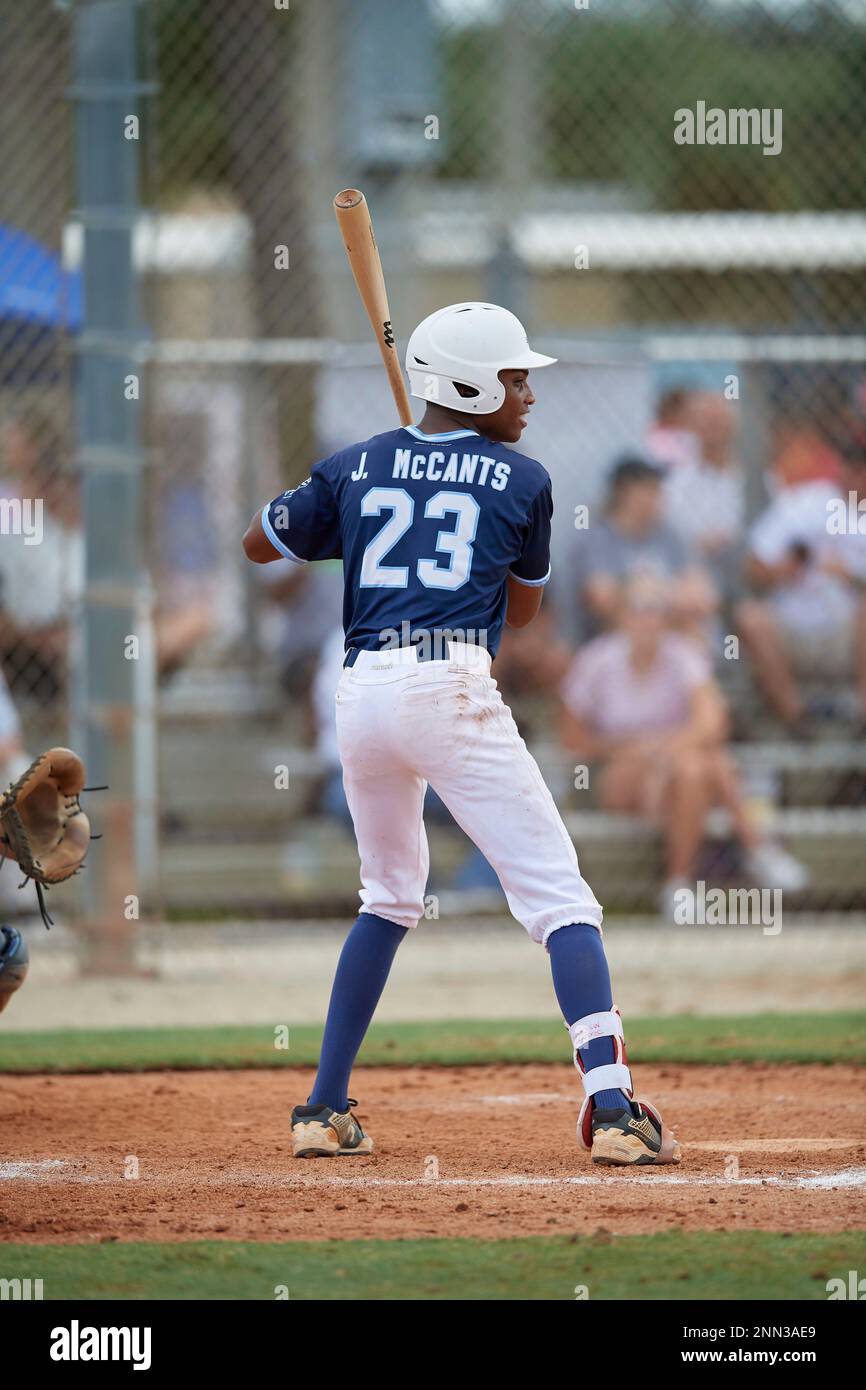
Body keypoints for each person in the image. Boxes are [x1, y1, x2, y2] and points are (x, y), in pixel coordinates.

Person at [243, 301, 679, 1167]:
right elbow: (522, 608)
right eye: (515, 379)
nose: (528, 393)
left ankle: (322, 1108)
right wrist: (443, 485)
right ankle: (616, 1110)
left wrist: (362, 482)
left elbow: (259, 546)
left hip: (361, 691)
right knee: (562, 901)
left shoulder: (358, 460)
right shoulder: (523, 480)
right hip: (449, 684)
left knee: (389, 896)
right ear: (471, 385)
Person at [559, 576, 808, 916]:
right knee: (710, 763)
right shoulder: (596, 660)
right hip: (619, 771)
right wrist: (635, 750)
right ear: (621, 615)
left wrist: (662, 754)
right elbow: (573, 738)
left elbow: (713, 721)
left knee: (694, 769)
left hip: (673, 770)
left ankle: (678, 887)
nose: (647, 617)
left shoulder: (682, 653)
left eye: (655, 609)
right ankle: (755, 847)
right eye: (638, 608)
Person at [737, 449, 866, 732]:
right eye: (856, 468)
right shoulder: (807, 502)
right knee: (750, 617)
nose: (859, 478)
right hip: (793, 631)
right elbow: (753, 568)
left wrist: (849, 575)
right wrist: (787, 568)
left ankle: (863, 717)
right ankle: (798, 720)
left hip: (847, 637)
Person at [575, 454, 717, 645]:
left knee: (692, 630)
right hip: (617, 639)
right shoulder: (597, 538)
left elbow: (703, 597)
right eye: (648, 488)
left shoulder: (670, 533)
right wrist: (670, 592)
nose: (658, 495)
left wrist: (641, 592)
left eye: (657, 488)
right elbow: (601, 598)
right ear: (623, 492)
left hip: (670, 631)